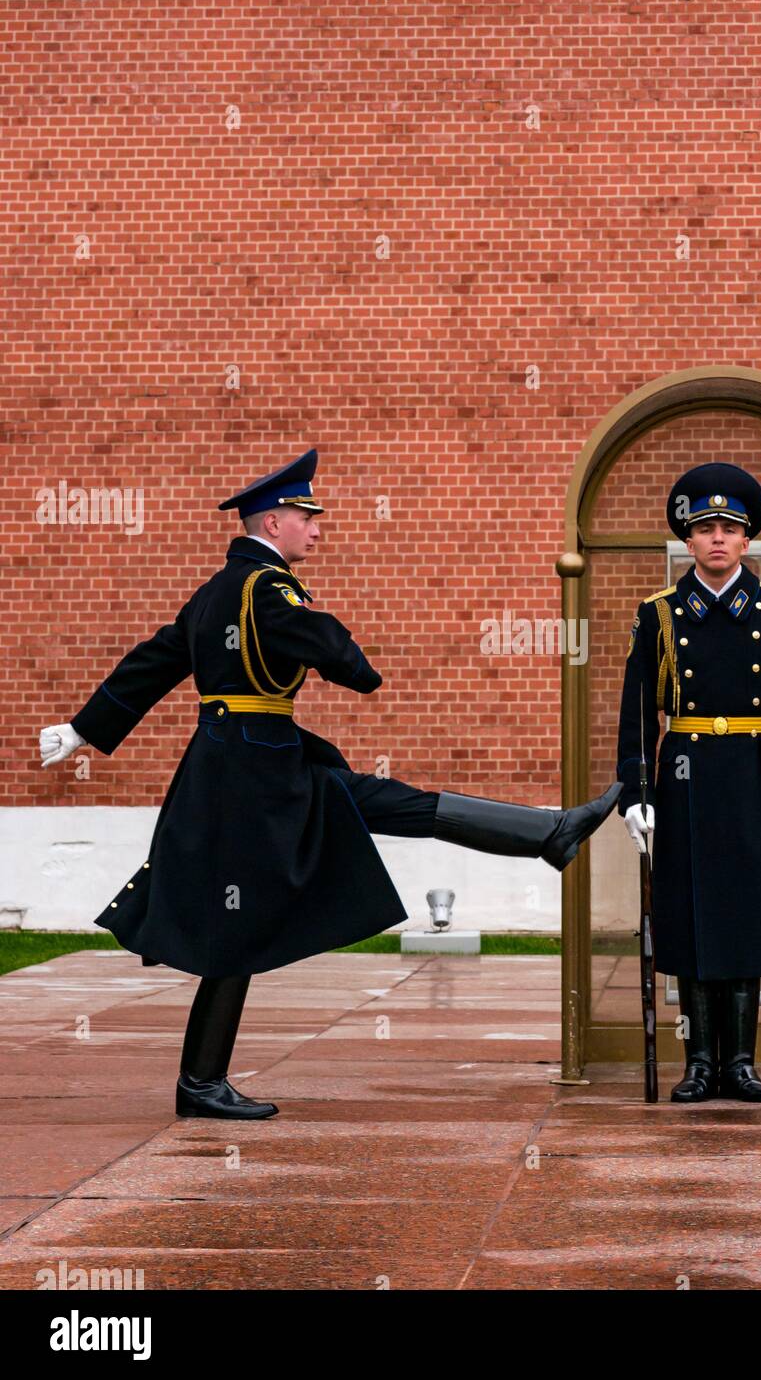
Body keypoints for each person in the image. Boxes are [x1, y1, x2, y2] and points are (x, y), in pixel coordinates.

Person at [39, 449, 621, 1119]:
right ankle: (200, 1082)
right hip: (253, 776)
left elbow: (156, 659)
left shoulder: (215, 591)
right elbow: (323, 643)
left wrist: (83, 729)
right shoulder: (266, 588)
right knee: (241, 919)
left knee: (384, 806)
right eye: (306, 518)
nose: (316, 530)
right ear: (273, 522)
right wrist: (355, 667)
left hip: (257, 762)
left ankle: (547, 831)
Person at [616, 462, 761, 1104]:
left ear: (748, 539)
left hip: (754, 774)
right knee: (694, 918)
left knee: (750, 916)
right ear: (688, 541)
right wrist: (636, 795)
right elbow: (638, 714)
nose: (719, 539)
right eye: (706, 529)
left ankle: (743, 1064)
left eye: (730, 528)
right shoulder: (661, 615)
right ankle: (700, 1062)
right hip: (687, 775)